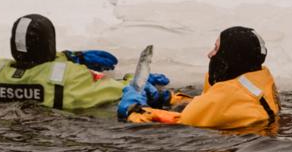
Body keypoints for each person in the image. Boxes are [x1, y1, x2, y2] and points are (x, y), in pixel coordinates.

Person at [117, 26, 280, 130]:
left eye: (216, 49)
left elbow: (175, 124)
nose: (210, 54)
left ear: (228, 57)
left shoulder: (228, 97)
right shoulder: (256, 81)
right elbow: (211, 105)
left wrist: (133, 109)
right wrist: (169, 99)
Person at [0, 14, 129, 111]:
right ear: (49, 44)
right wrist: (133, 80)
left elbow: (35, 65)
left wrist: (70, 56)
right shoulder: (69, 77)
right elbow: (118, 90)